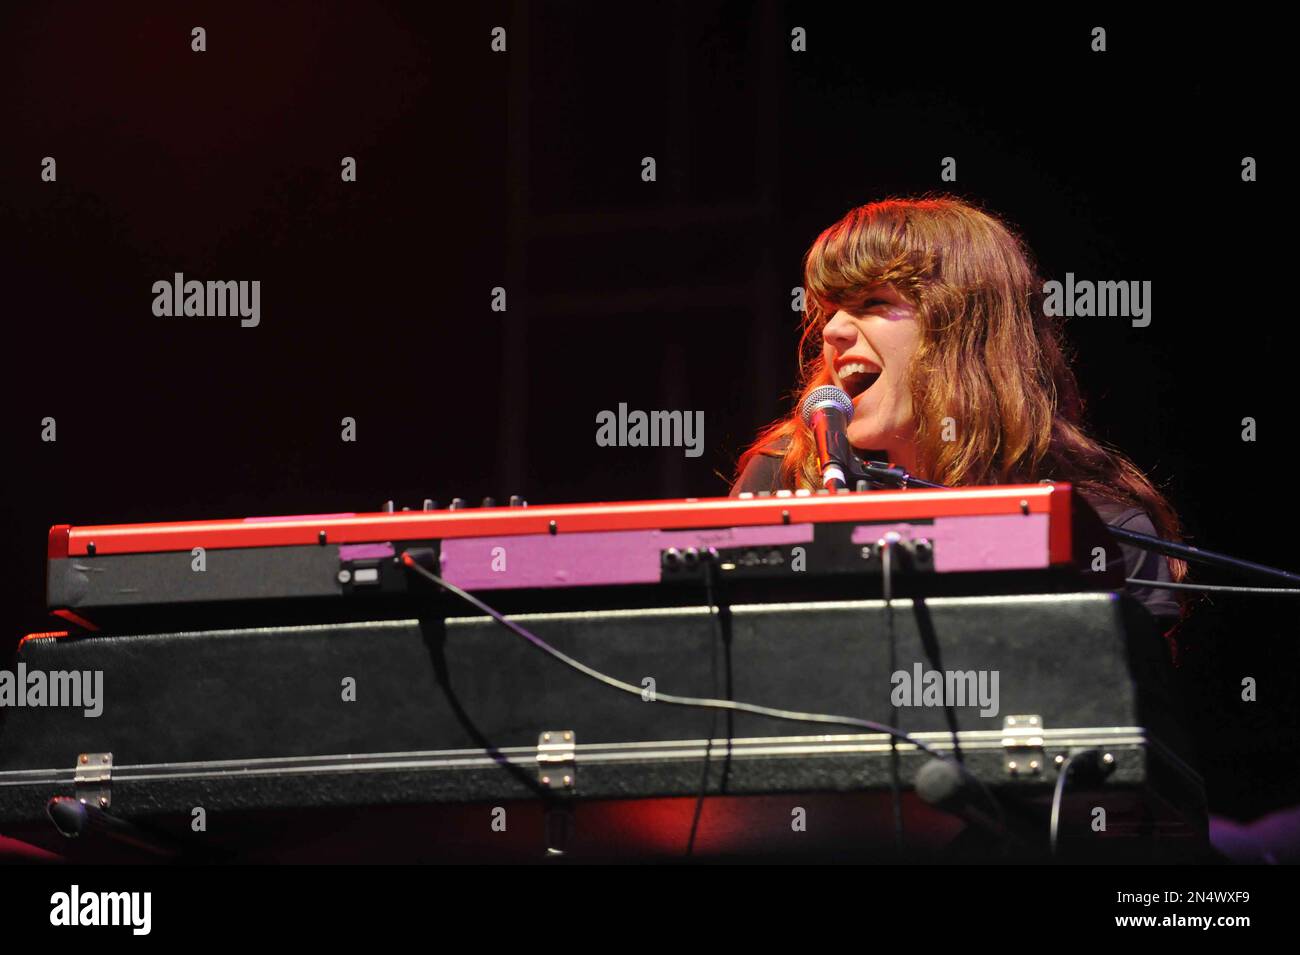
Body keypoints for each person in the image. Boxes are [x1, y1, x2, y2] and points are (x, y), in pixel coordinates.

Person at [731, 196, 1185, 631]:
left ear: (964, 331)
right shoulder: (785, 479)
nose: (832, 330)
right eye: (829, 311)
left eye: (873, 302)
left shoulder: (1100, 531)